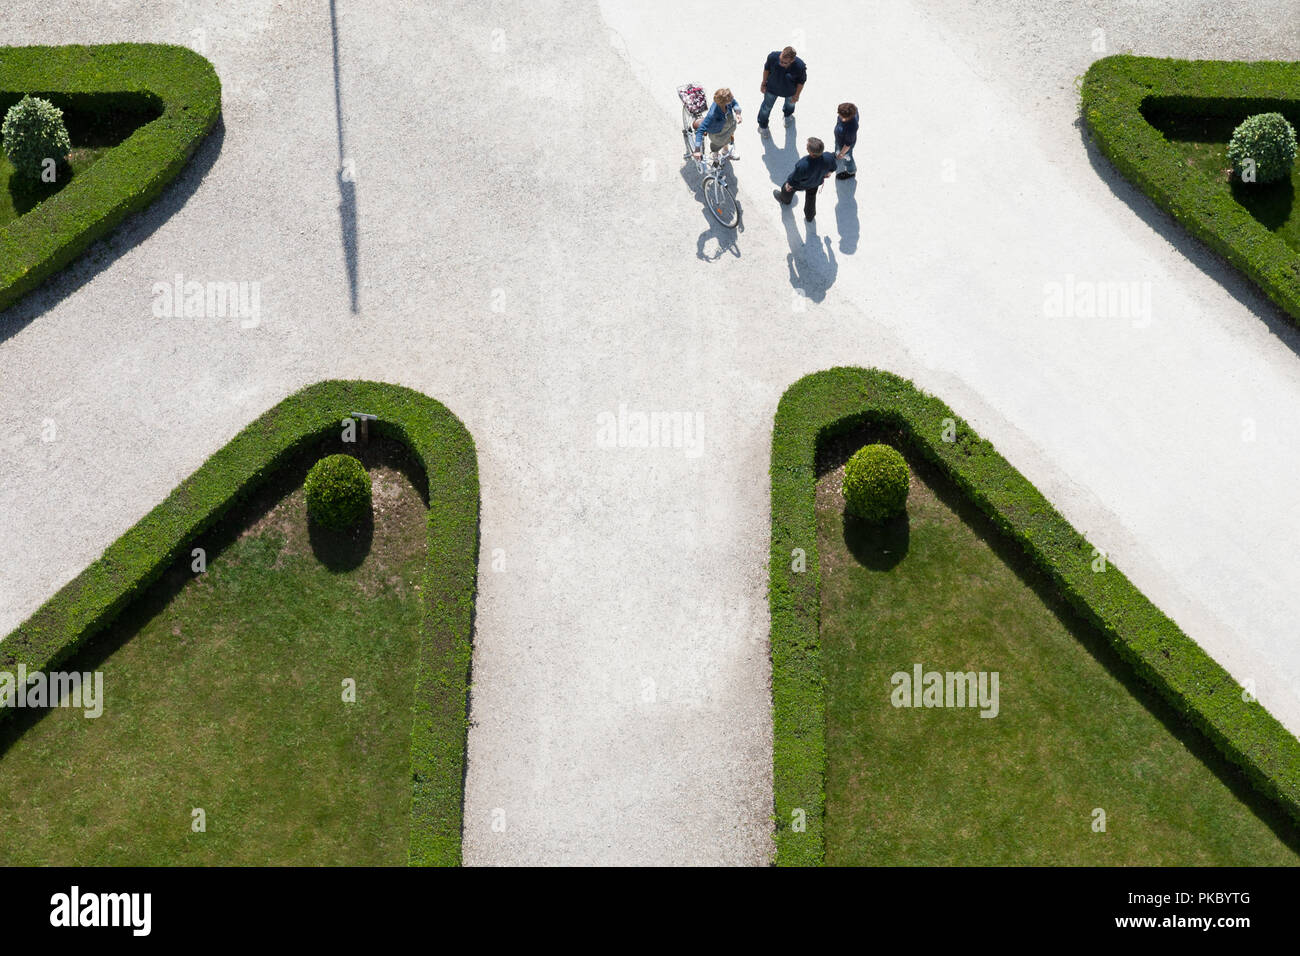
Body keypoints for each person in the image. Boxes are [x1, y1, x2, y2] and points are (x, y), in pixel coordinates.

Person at [773, 137, 838, 221]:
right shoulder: (828, 157)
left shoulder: (803, 165)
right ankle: (810, 216)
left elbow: (794, 179)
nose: (806, 147)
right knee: (811, 198)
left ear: (810, 152)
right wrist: (829, 173)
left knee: (785, 188)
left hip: (801, 185)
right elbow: (833, 167)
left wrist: (788, 184)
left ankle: (785, 200)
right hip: (816, 182)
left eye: (807, 146)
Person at [757, 46, 806, 130]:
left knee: (790, 106)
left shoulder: (800, 66)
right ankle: (763, 126)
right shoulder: (772, 57)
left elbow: (801, 82)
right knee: (766, 108)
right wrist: (763, 83)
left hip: (790, 92)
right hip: (772, 89)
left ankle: (787, 116)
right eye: (780, 60)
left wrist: (797, 95)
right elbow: (766, 69)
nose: (781, 63)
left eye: (784, 63)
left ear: (792, 60)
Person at [692, 88, 742, 162]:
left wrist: (738, 113)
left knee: (728, 139)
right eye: (731, 98)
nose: (733, 97)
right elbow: (700, 130)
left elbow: (734, 103)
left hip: (728, 128)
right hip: (718, 134)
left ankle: (726, 151)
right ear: (724, 102)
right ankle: (715, 156)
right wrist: (697, 149)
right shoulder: (712, 115)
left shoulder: (727, 100)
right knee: (717, 145)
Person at [834, 102, 858, 179]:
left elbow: (847, 145)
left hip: (845, 146)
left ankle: (851, 171)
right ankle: (836, 154)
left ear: (847, 118)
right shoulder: (846, 114)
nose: (838, 115)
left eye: (840, 115)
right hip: (839, 139)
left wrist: (842, 154)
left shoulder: (851, 128)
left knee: (848, 158)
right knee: (837, 147)